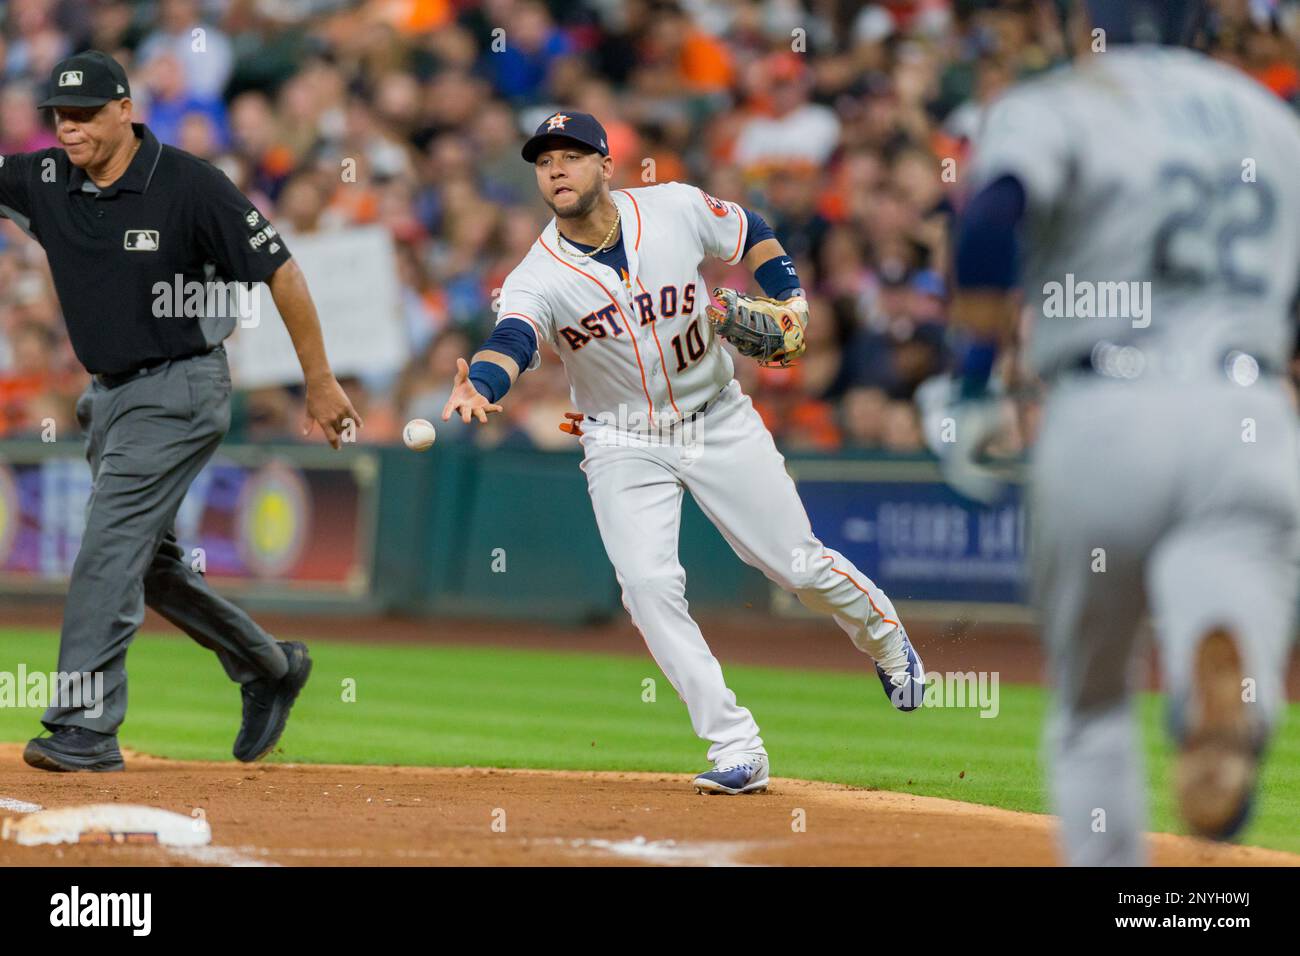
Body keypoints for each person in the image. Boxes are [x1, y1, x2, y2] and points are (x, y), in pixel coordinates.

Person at [442, 110, 924, 794]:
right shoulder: (536, 274)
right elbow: (514, 338)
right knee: (646, 587)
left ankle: (882, 637)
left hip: (717, 417)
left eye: (571, 155)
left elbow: (751, 230)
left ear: (606, 164)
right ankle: (738, 746)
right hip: (621, 439)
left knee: (795, 566)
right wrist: (482, 382)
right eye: (544, 159)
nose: (556, 168)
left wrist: (789, 297)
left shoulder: (672, 208)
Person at [951, 0, 1300, 863]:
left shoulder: (1063, 100)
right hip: (1246, 408)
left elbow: (993, 217)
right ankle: (1219, 675)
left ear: (1086, 25)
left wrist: (968, 380)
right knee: (1223, 579)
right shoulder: (1271, 119)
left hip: (1107, 406)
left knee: (1091, 704)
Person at [0, 51, 360, 772]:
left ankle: (85, 725)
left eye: (85, 115)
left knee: (105, 547)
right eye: (60, 117)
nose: (69, 129)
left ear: (125, 109)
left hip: (179, 388)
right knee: (150, 565)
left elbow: (280, 271)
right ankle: (268, 666)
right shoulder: (45, 177)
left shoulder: (190, 185)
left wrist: (319, 381)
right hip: (106, 399)